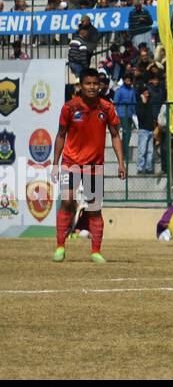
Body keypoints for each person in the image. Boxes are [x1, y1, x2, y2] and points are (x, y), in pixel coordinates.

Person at [52, 68, 125, 263]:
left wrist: (120, 162)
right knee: (67, 201)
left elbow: (116, 135)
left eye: (95, 83)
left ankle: (96, 251)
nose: (92, 87)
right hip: (70, 163)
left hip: (95, 166)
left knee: (94, 207)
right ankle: (60, 247)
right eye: (88, 83)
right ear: (80, 86)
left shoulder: (107, 108)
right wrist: (55, 164)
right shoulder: (69, 108)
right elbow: (60, 135)